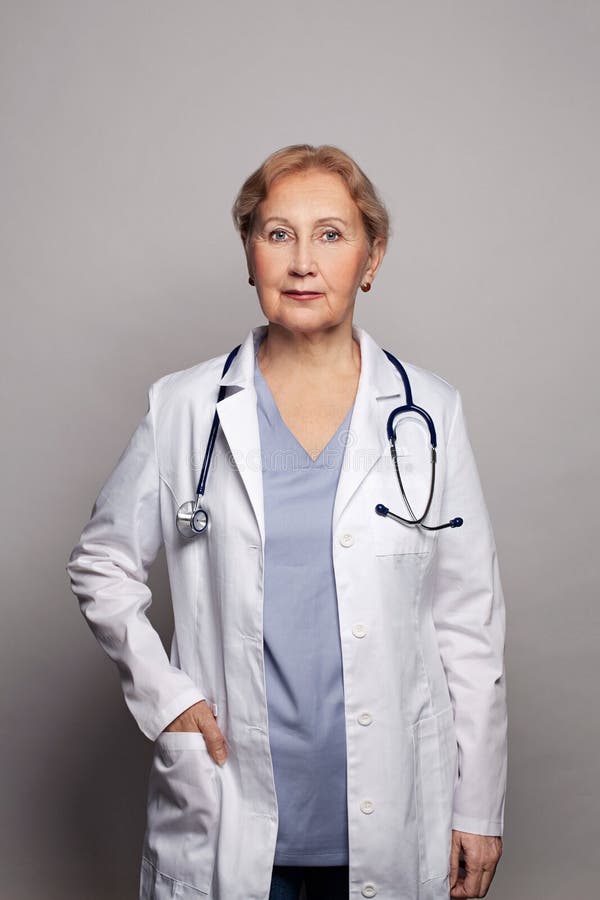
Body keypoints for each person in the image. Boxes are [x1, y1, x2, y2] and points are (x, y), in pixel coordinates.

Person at [66, 143, 507, 900]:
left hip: (392, 813)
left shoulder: (427, 412)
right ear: (249, 255)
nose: (303, 261)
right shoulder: (184, 407)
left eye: (332, 234)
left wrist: (480, 806)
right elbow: (101, 563)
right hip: (228, 812)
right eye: (278, 234)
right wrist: (166, 696)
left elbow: (468, 620)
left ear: (372, 256)